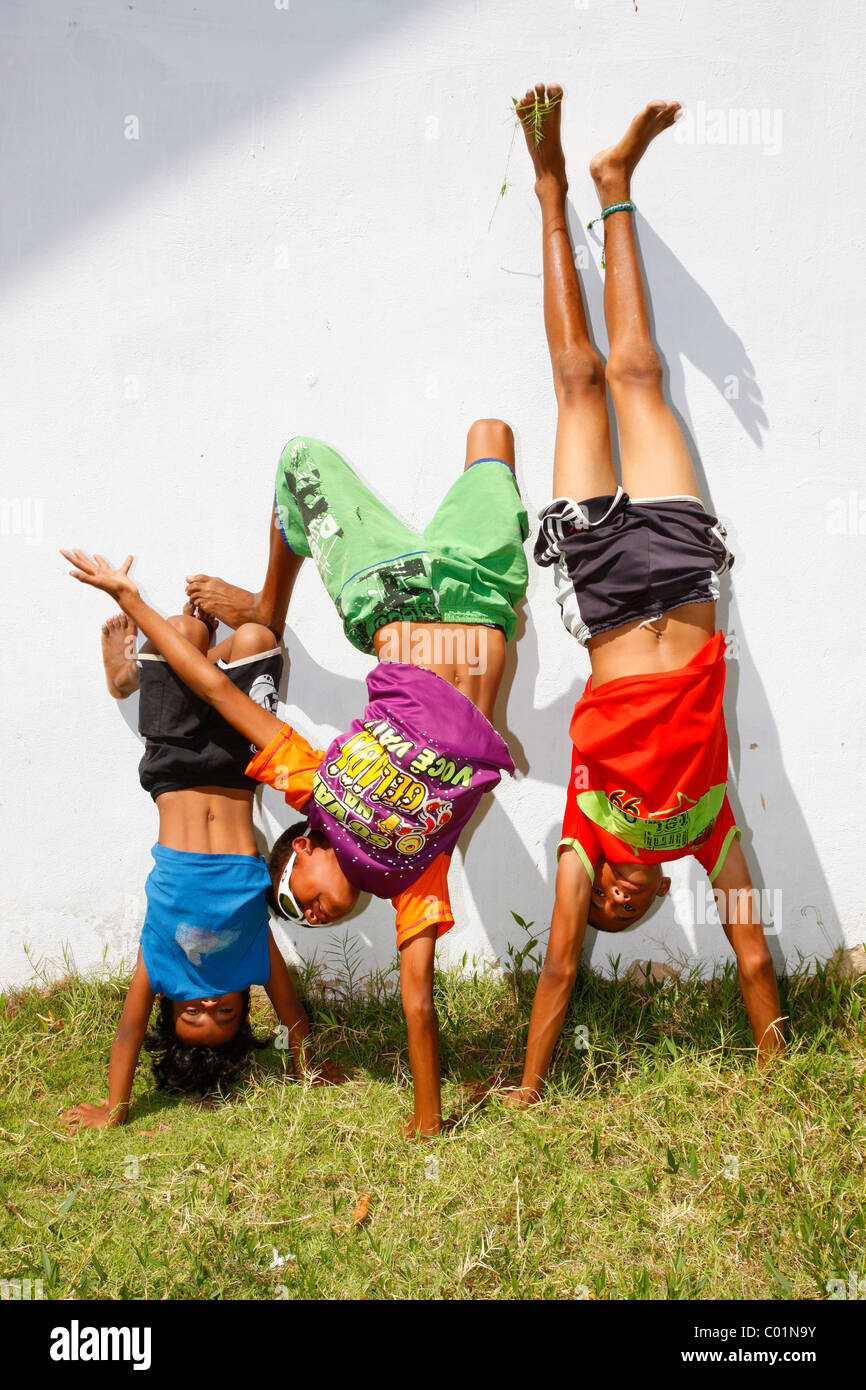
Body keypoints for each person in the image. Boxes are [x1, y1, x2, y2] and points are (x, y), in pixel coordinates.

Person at [62, 417, 529, 1136]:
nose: (309, 916)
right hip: (483, 596)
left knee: (299, 463)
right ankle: (252, 620)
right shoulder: (413, 874)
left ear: (305, 844)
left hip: (392, 595)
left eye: (291, 899)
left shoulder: (315, 786)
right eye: (304, 916)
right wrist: (427, 1116)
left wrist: (131, 600)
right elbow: (418, 1002)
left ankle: (263, 606)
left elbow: (219, 694)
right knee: (490, 437)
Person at [503, 85, 784, 1106]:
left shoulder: (588, 833)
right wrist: (773, 1063)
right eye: (632, 904)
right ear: (663, 892)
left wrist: (531, 1087)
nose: (617, 896)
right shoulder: (707, 833)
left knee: (575, 380)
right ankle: (613, 185)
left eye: (606, 906)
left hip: (606, 593)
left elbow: (558, 966)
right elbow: (752, 957)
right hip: (678, 570)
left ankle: (548, 188)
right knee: (637, 373)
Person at [60, 606, 345, 1131]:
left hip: (172, 764)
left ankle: (130, 678)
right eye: (225, 1015)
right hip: (240, 769)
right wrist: (304, 1065)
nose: (209, 1004)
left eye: (193, 1014)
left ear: (168, 1008)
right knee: (257, 635)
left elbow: (127, 1030)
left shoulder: (162, 960)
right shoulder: (251, 958)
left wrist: (116, 1109)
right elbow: (292, 1016)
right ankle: (193, 663)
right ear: (242, 1007)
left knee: (184, 627)